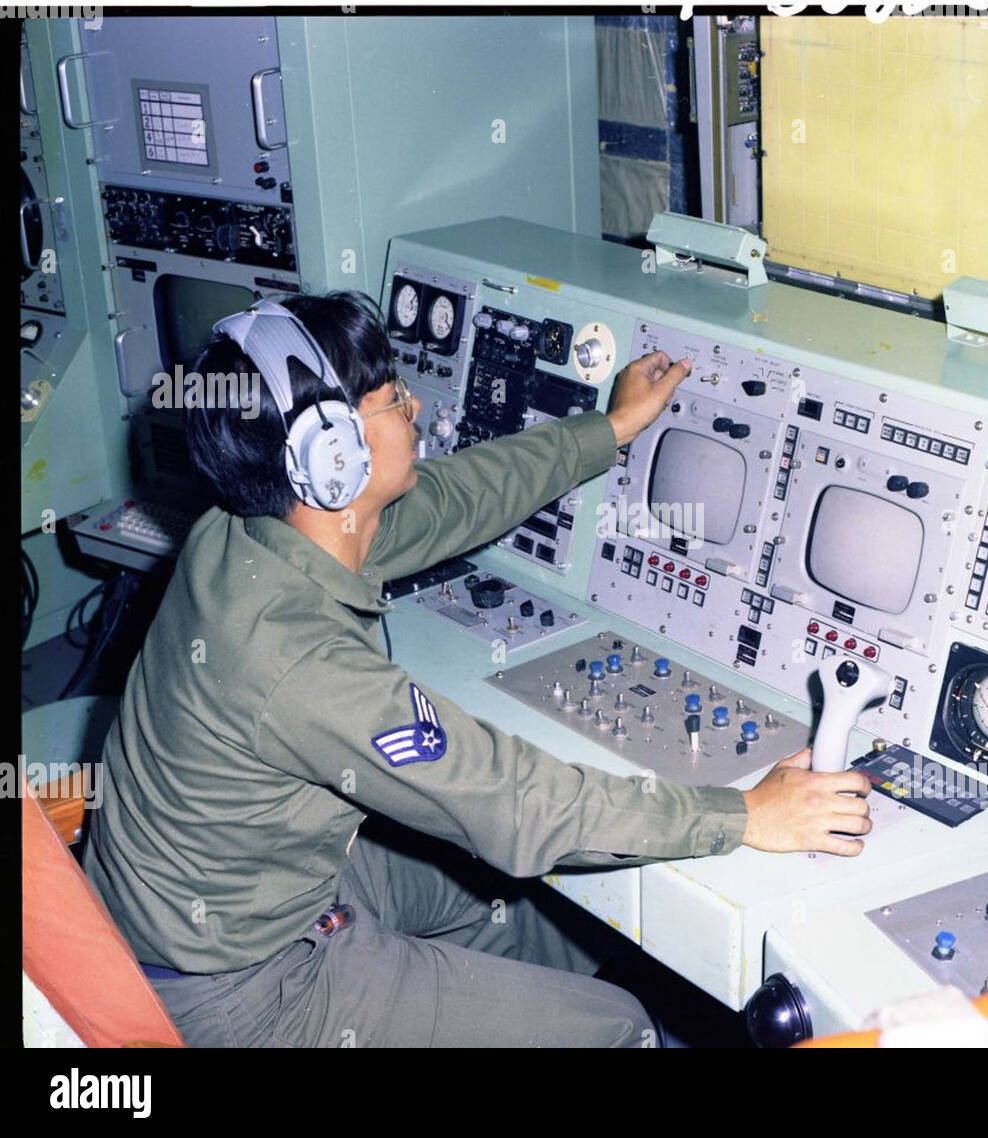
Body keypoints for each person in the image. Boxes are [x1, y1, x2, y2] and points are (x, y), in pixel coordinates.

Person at [82, 291, 873, 1047]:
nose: (416, 407)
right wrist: (744, 815)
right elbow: (520, 804)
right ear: (331, 455)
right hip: (244, 994)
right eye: (393, 399)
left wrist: (610, 429)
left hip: (229, 903)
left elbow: (456, 499)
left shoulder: (248, 531)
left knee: (531, 918)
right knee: (618, 1024)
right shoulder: (299, 665)